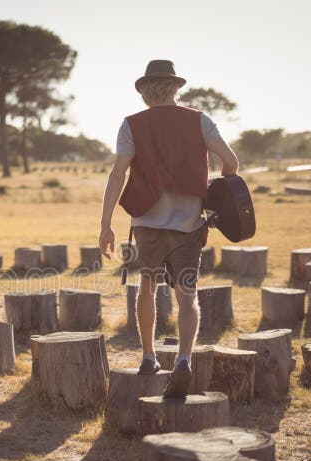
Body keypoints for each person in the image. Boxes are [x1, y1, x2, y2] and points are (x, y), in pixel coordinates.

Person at [98, 59, 239, 397]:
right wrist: (220, 189)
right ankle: (184, 360)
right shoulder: (200, 120)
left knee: (146, 288)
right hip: (188, 226)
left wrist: (105, 225)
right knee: (187, 294)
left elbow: (118, 174)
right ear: (176, 88)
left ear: (145, 92)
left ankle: (148, 357)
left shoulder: (130, 125)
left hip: (146, 224)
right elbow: (231, 162)